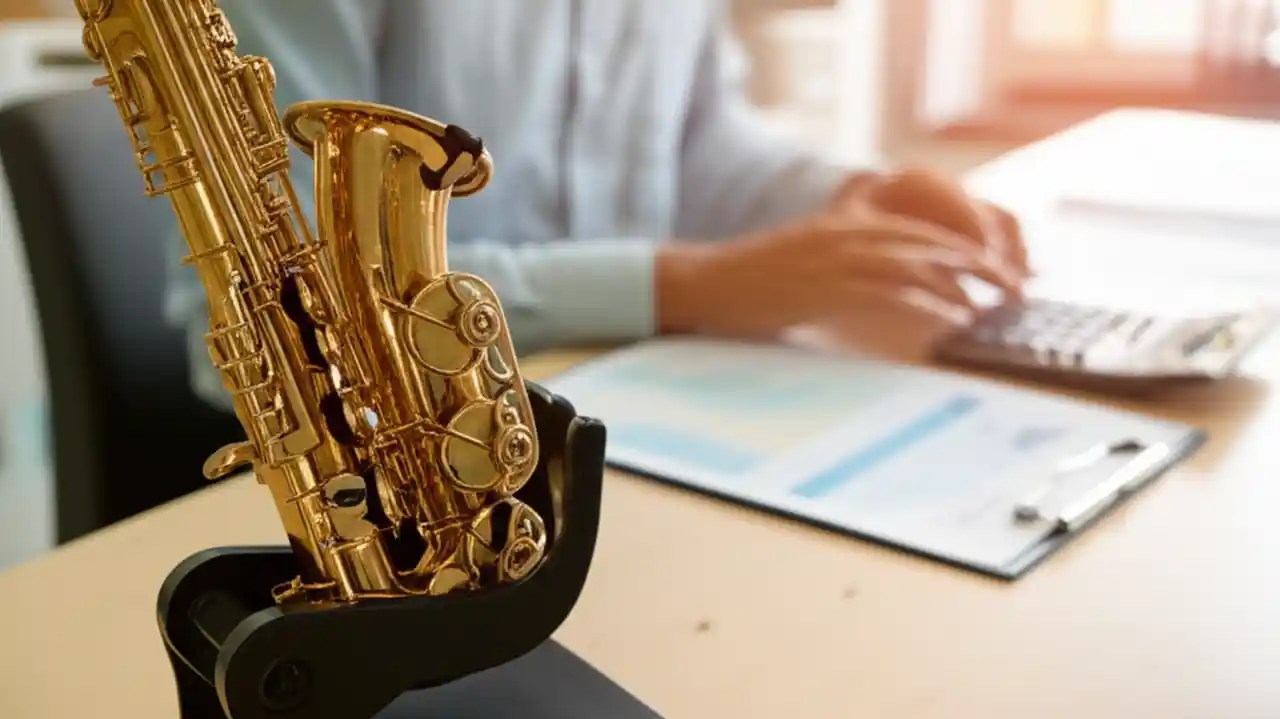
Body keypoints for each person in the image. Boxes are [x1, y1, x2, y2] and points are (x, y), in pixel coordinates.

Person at [168, 0, 1030, 410]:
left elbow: (704, 152)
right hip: (369, 461)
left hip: (624, 409)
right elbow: (288, 300)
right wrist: (690, 286)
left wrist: (857, 197)